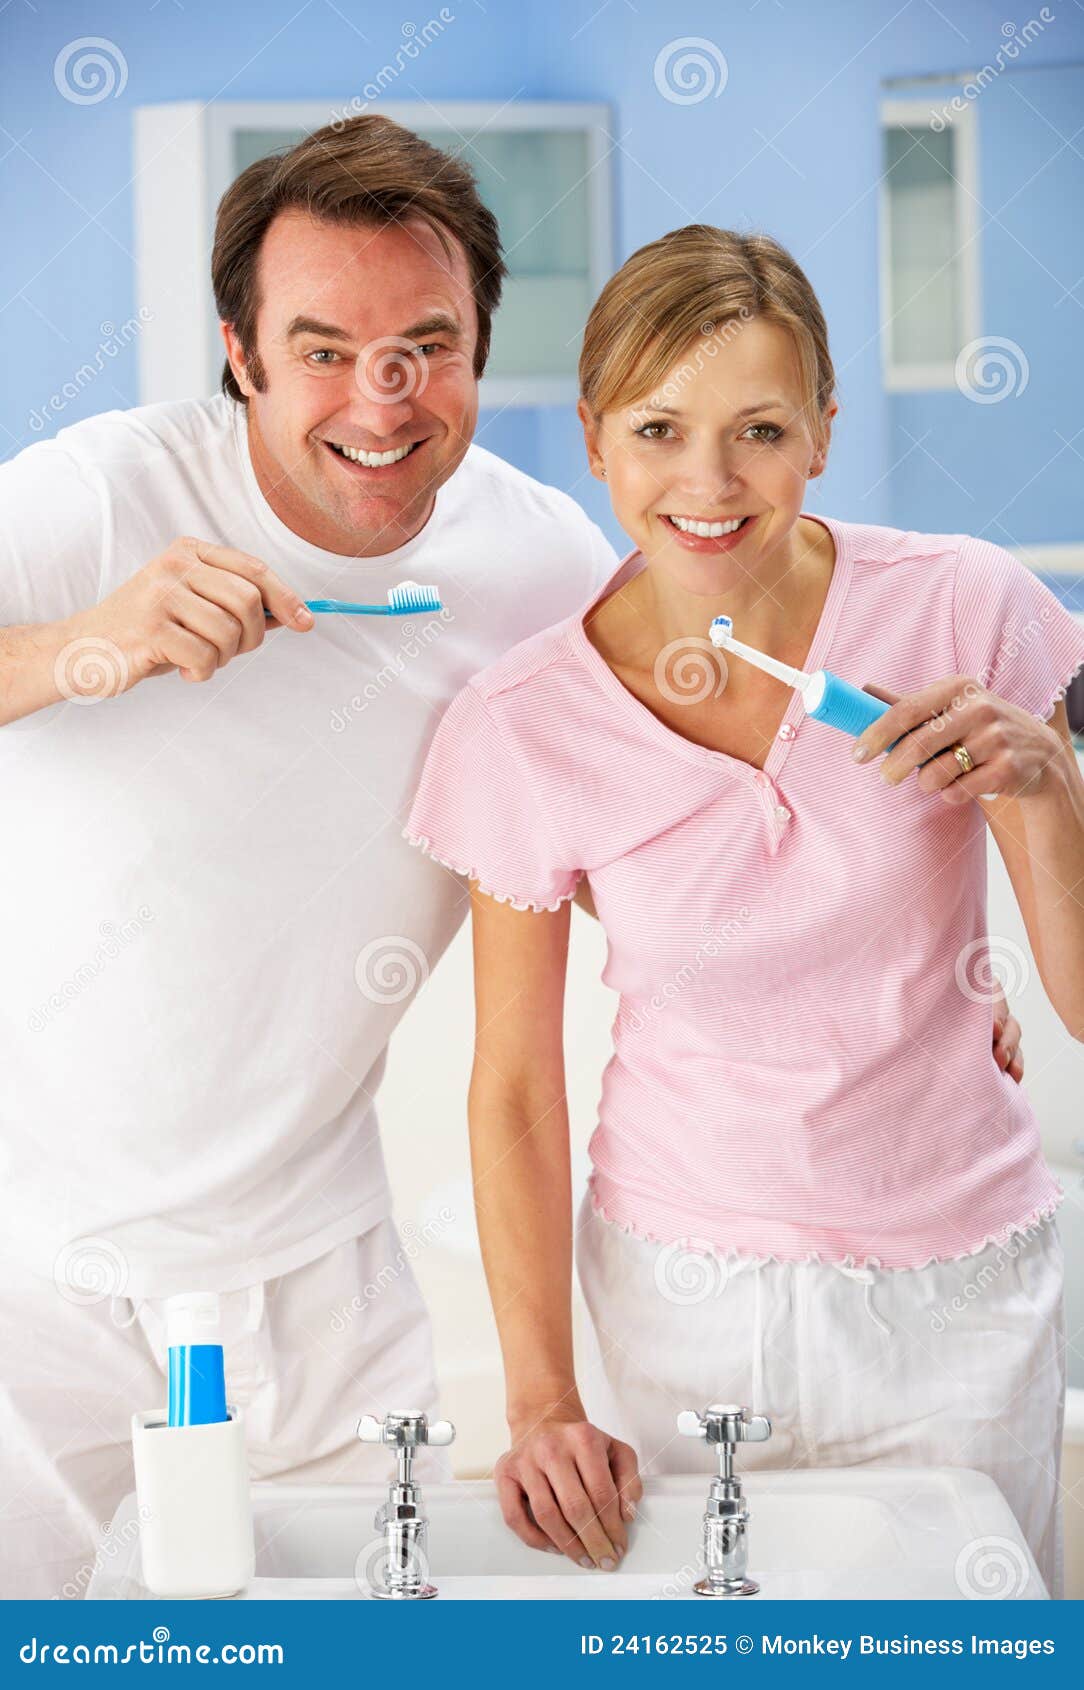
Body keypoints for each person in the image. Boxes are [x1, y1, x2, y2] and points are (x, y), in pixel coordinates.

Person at [405, 225, 1084, 1596]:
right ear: (594, 438)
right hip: (685, 1300)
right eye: (659, 428)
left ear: (825, 433)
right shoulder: (524, 725)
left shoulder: (969, 609)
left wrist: (1048, 788)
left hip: (963, 1289)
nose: (707, 483)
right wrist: (540, 1397)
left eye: (760, 429)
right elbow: (519, 1085)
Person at [0, 114, 620, 1599]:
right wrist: (81, 646)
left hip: (319, 1298)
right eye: (324, 346)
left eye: (427, 341)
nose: (381, 397)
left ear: (477, 347)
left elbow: (700, 774)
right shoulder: (101, 496)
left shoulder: (540, 568)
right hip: (36, 1284)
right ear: (242, 352)